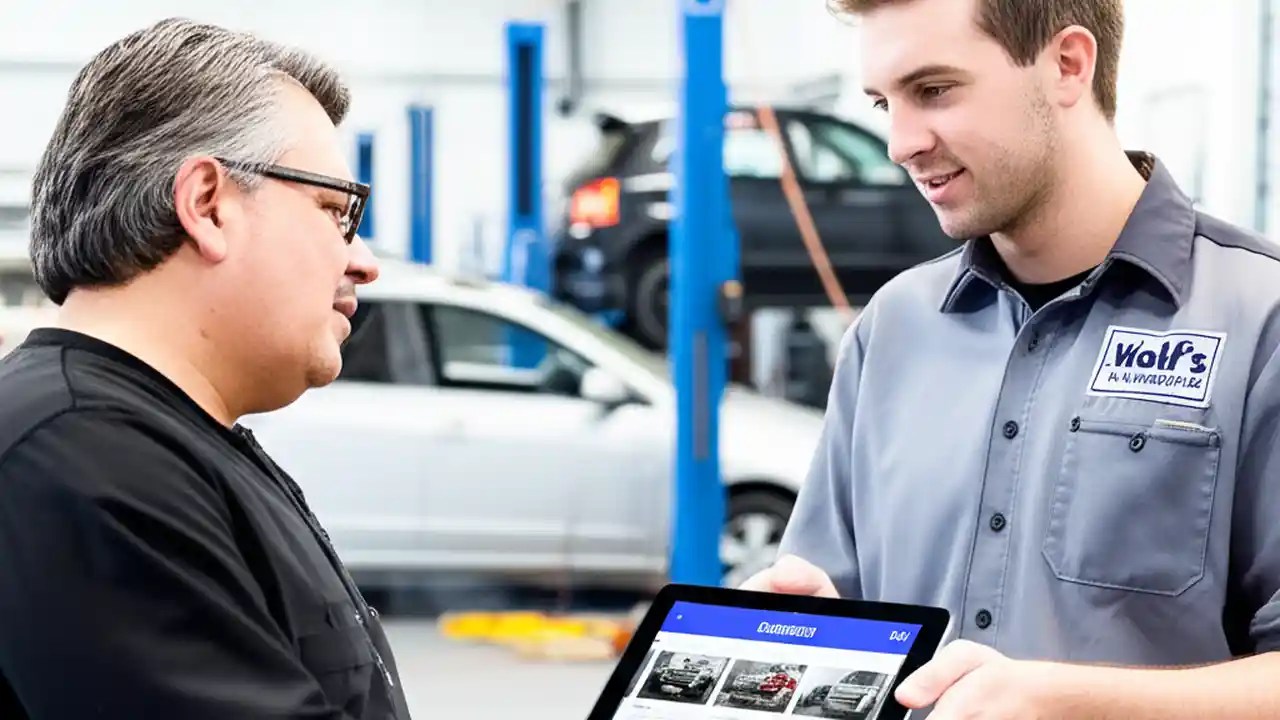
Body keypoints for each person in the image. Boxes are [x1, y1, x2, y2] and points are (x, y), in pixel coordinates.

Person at [743, 0, 1280, 717]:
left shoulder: (1260, 320)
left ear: (1067, 65)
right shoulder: (896, 329)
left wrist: (1074, 705)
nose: (901, 143)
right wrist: (804, 632)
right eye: (883, 103)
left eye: (933, 90)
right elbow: (835, 602)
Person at [0, 18, 412, 719]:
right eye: (336, 212)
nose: (363, 261)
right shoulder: (81, 462)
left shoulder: (161, 442)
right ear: (207, 204)